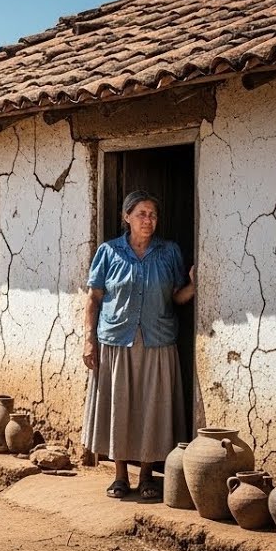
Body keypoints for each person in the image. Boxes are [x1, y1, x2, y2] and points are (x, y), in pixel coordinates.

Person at [82, 190, 196, 500]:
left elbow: (176, 296)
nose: (148, 220)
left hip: (157, 340)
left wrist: (195, 286)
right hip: (116, 340)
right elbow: (93, 299)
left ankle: (147, 476)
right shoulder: (109, 252)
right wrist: (89, 340)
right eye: (142, 214)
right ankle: (120, 475)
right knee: (120, 406)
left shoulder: (169, 252)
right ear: (127, 217)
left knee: (152, 408)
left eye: (153, 215)